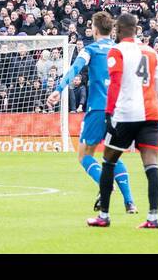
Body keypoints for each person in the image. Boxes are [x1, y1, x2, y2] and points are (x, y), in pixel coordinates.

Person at [47, 11, 136, 213]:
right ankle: (130, 201)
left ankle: (106, 184)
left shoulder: (91, 49)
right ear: (111, 29)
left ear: (94, 30)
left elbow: (74, 70)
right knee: (113, 157)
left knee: (84, 156)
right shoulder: (120, 51)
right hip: (119, 111)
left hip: (97, 109)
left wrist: (58, 90)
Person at [88, 12, 158, 229]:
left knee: (109, 160)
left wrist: (109, 114)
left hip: (125, 115)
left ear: (118, 30)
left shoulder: (117, 50)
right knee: (151, 164)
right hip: (150, 114)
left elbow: (115, 84)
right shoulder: (151, 52)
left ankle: (104, 215)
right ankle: (153, 218)